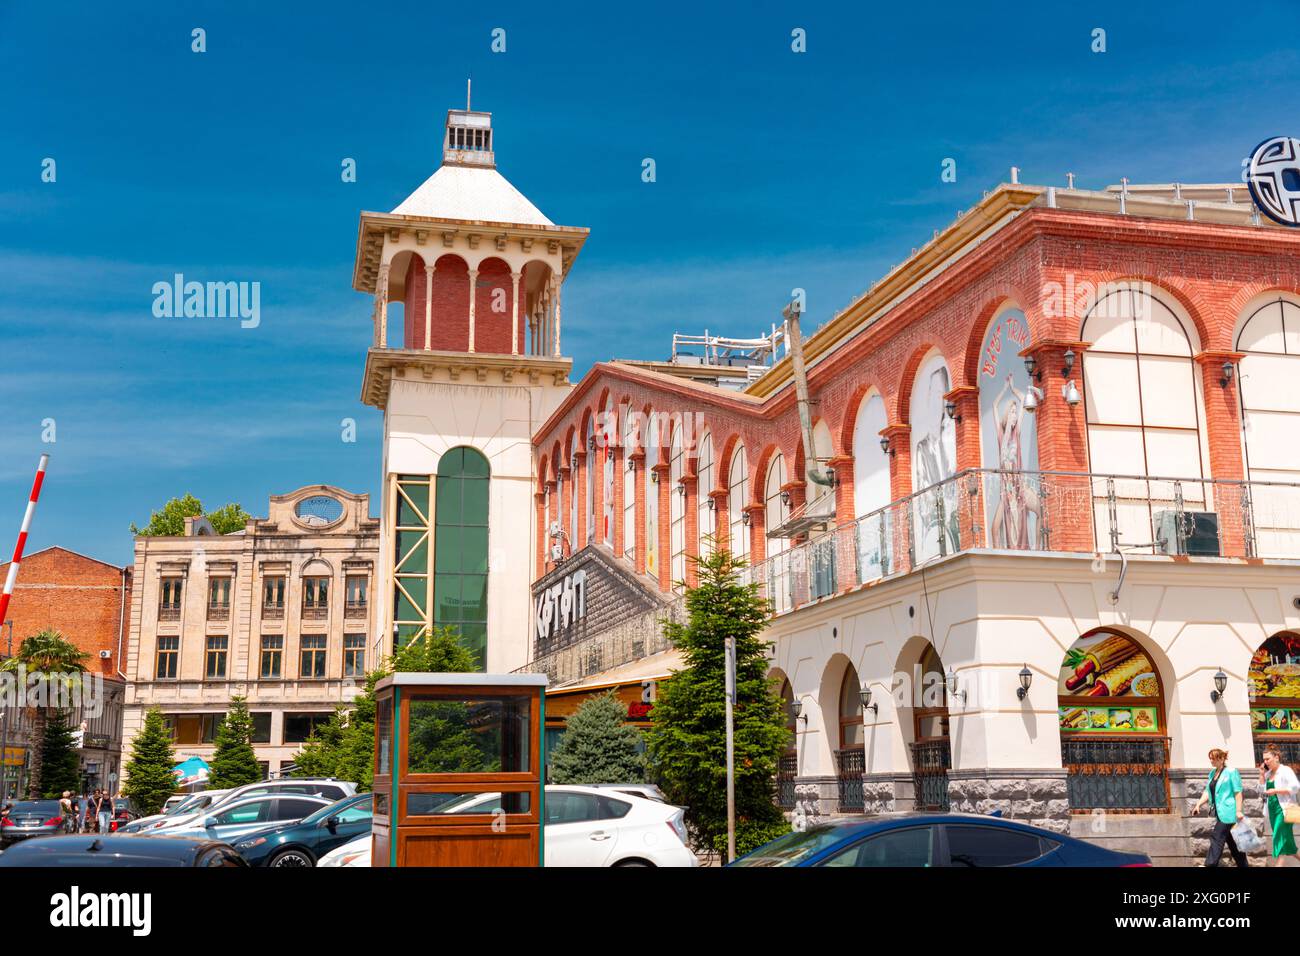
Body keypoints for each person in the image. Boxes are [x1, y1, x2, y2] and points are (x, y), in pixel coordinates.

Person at [1193, 748, 1248, 867]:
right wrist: (1198, 804)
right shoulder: (1212, 773)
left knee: (1217, 836)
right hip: (1219, 812)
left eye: (1214, 758)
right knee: (1233, 844)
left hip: (1230, 812)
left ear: (1222, 759)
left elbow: (1238, 792)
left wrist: (1238, 811)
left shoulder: (1231, 772)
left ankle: (1210, 864)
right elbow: (1208, 791)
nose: (1211, 761)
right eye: (1210, 758)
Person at [1260, 745, 1300, 866]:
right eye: (1264, 759)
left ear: (1276, 757)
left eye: (1268, 759)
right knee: (1287, 842)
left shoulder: (1285, 770)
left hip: (1284, 810)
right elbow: (1262, 792)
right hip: (1272, 810)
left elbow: (1295, 787)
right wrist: (1262, 775)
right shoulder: (1268, 774)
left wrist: (1276, 791)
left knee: (1278, 836)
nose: (1265, 762)